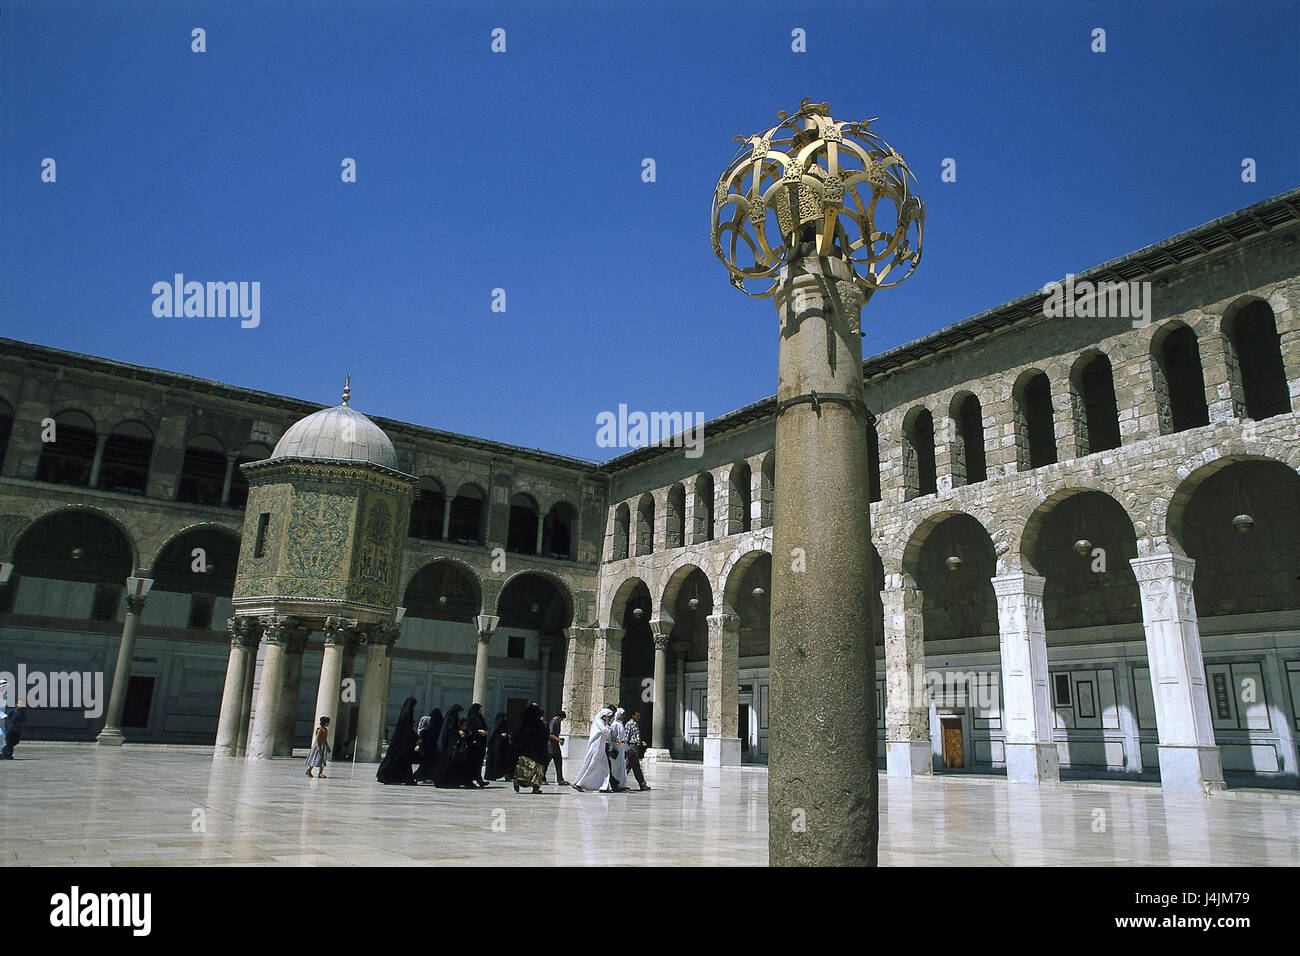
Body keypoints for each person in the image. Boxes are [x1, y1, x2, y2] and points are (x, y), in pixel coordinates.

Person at [376, 696, 419, 785]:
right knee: (402, 760)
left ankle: (399, 777)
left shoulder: (405, 713)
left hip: (400, 742)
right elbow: (407, 730)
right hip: (403, 743)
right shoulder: (407, 714)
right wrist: (416, 739)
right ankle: (404, 778)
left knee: (400, 760)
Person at [570, 708, 614, 792]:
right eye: (609, 717)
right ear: (604, 716)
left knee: (605, 768)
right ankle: (579, 783)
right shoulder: (599, 722)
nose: (610, 719)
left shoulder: (603, 723)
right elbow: (606, 732)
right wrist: (608, 724)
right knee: (591, 766)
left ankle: (605, 787)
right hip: (596, 748)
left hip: (601, 748)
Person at [509, 703, 549, 794]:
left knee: (524, 768)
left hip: (525, 751)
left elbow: (517, 737)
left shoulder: (523, 723)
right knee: (538, 768)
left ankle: (518, 780)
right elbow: (545, 735)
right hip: (538, 751)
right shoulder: (539, 724)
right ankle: (535, 787)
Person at [432, 704, 469, 788]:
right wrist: (458, 732)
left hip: (450, 745)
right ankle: (439, 781)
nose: (459, 714)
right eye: (459, 712)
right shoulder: (450, 719)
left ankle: (447, 781)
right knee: (444, 764)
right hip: (448, 745)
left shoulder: (452, 719)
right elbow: (450, 731)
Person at [414, 707, 443, 783]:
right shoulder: (441, 731)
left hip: (427, 752)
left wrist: (421, 749)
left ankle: (419, 777)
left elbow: (422, 741)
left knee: (424, 765)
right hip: (435, 752)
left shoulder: (425, 732)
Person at [623, 710, 650, 790]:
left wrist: (640, 742)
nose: (639, 717)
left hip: (636, 747)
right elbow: (626, 737)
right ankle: (642, 784)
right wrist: (627, 749)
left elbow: (635, 736)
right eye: (637, 716)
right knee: (635, 766)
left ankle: (619, 782)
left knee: (629, 766)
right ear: (633, 716)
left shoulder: (636, 724)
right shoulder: (629, 724)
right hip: (632, 747)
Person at [465, 703, 490, 788]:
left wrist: (485, 731)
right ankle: (470, 780)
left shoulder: (480, 718)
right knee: (473, 762)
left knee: (478, 763)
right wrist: (478, 731)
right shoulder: (471, 718)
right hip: (473, 745)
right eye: (479, 709)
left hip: (481, 744)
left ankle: (479, 779)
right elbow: (469, 730)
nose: (480, 711)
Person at [604, 707, 629, 793]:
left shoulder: (620, 724)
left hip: (621, 748)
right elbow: (612, 737)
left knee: (621, 767)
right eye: (622, 714)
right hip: (616, 748)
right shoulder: (615, 724)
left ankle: (622, 784)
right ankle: (615, 784)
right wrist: (612, 748)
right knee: (615, 767)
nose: (623, 716)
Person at [484, 712, 512, 780]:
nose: (505, 718)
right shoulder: (498, 724)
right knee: (497, 761)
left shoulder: (503, 724)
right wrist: (501, 735)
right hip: (497, 747)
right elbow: (494, 734)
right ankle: (495, 774)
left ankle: (505, 774)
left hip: (502, 746)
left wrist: (507, 735)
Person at [545, 710, 567, 785]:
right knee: (546, 763)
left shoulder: (556, 723)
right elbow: (550, 734)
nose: (561, 720)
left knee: (558, 763)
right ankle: (542, 778)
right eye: (562, 719)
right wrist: (559, 740)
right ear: (559, 717)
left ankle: (560, 779)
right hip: (551, 748)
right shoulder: (553, 722)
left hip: (555, 748)